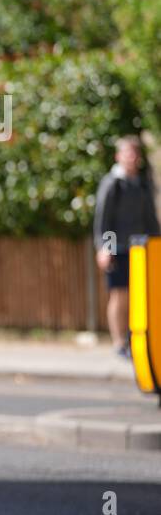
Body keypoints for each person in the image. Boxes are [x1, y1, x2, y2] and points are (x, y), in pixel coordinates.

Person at [94, 135, 160, 357]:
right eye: (127, 153)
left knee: (138, 295)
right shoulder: (113, 183)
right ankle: (119, 341)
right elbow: (105, 220)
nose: (131, 157)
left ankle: (135, 340)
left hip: (140, 250)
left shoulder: (141, 183)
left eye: (134, 153)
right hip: (119, 248)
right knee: (119, 295)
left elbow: (150, 219)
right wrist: (107, 248)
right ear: (118, 156)